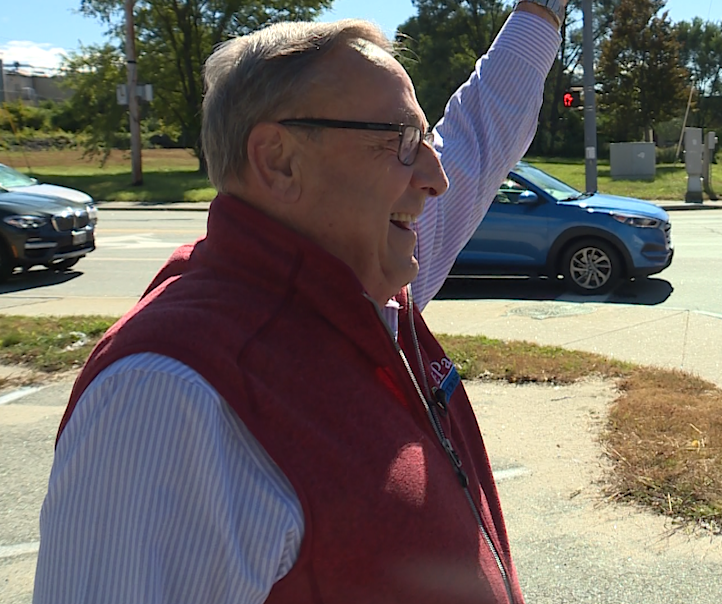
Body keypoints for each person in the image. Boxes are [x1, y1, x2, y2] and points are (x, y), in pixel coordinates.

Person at [33, 2, 564, 603]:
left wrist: (542, 11)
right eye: (404, 141)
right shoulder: (166, 394)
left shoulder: (366, 287)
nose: (436, 176)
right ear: (280, 162)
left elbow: (480, 137)